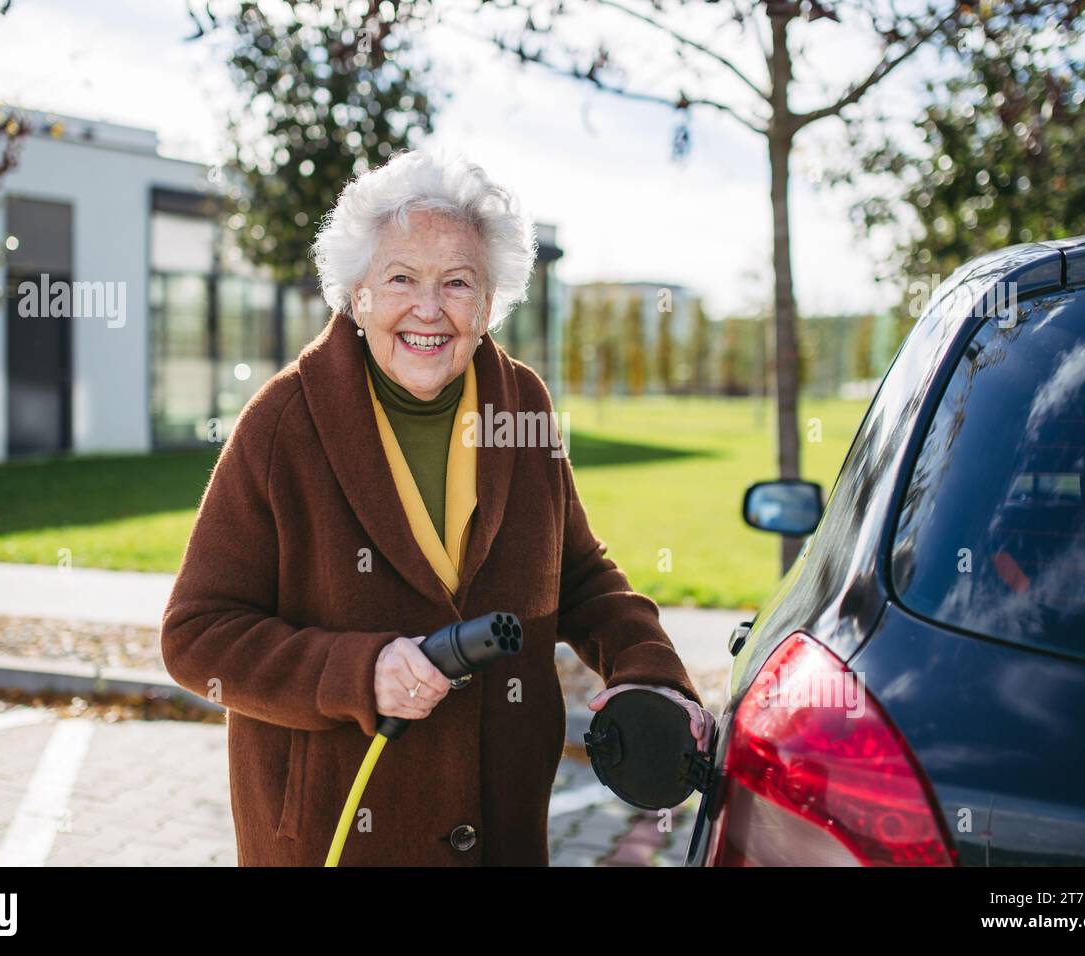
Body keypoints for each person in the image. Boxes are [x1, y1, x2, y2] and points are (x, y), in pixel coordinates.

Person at [161, 149, 712, 866]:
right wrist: (359, 673)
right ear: (356, 294)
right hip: (337, 835)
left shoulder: (524, 406)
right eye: (400, 279)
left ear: (488, 304)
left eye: (458, 282)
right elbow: (197, 636)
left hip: (499, 832)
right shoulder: (282, 423)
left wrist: (649, 671)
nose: (429, 309)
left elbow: (580, 575)